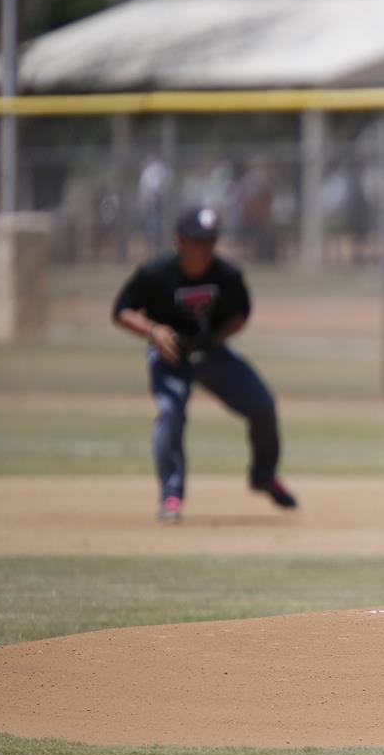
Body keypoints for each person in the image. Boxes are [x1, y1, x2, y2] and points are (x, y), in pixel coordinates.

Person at [111, 205, 298, 523]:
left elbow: (242, 313)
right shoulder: (156, 274)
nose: (205, 249)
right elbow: (121, 311)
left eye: (211, 241)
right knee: (170, 412)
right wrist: (154, 331)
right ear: (179, 241)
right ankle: (171, 495)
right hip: (169, 356)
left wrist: (219, 337)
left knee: (263, 405)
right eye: (198, 241)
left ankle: (264, 476)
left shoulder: (227, 275)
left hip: (212, 353)